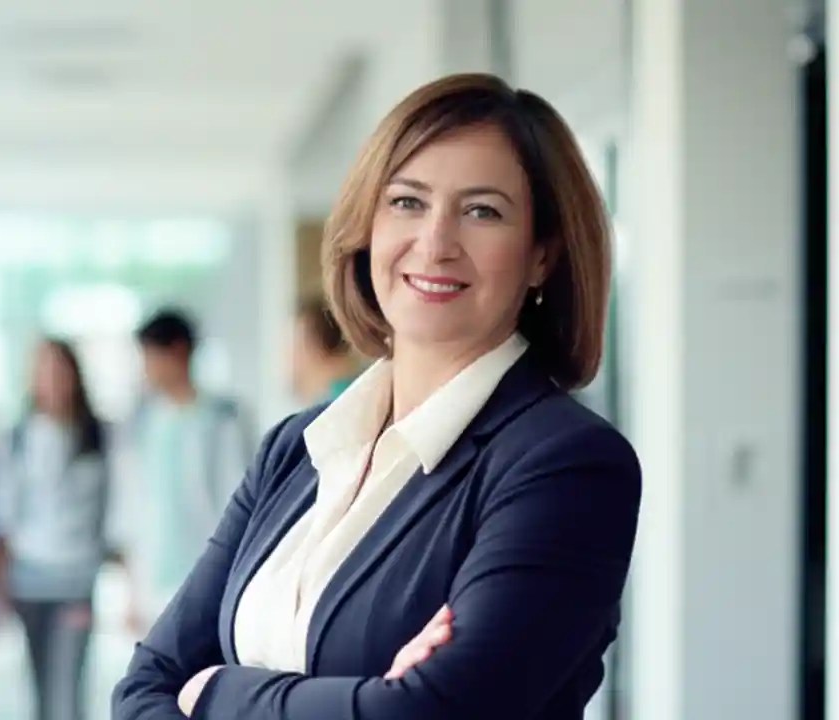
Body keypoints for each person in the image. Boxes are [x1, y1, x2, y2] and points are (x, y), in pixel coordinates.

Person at [112, 73, 642, 720]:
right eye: (407, 202)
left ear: (541, 257)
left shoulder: (566, 465)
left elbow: (438, 712)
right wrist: (370, 698)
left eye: (483, 211)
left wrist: (215, 692)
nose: (436, 242)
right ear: (368, 227)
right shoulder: (298, 449)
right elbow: (144, 687)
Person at [108, 310, 253, 632]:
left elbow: (238, 505)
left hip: (209, 579)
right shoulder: (142, 424)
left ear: (177, 351)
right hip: (153, 583)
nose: (146, 368)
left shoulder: (222, 420)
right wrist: (130, 593)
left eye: (151, 356)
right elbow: (131, 510)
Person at [0, 338, 108, 720]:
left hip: (76, 580)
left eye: (59, 370)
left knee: (67, 693)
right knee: (38, 695)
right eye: (43, 371)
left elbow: (116, 509)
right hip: (29, 580)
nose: (52, 380)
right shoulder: (16, 437)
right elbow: (1, 517)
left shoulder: (98, 435)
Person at [291, 296, 361, 404]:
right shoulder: (358, 391)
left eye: (297, 345)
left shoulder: (336, 406)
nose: (290, 356)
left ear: (315, 348)